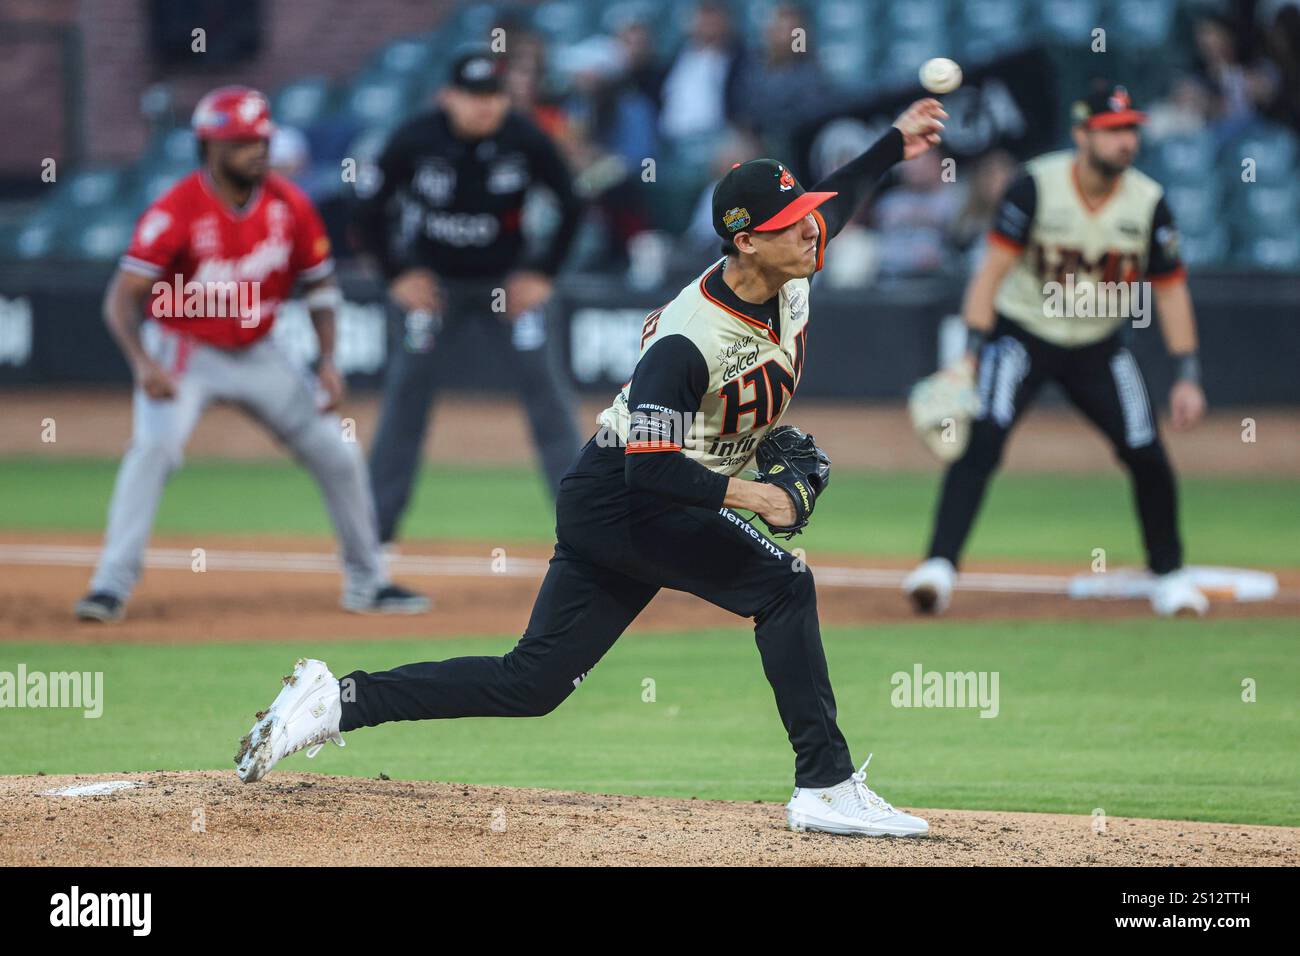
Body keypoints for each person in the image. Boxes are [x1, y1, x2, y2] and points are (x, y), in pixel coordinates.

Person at [236, 98, 950, 840]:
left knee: (532, 681)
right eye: (787, 222)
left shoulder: (792, 259)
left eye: (803, 214)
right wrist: (756, 497)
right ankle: (825, 785)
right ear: (743, 245)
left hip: (629, 503)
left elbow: (845, 191)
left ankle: (337, 701)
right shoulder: (689, 342)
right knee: (784, 586)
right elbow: (649, 471)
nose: (808, 227)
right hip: (627, 498)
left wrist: (895, 143)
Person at [74, 86, 427, 623]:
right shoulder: (176, 210)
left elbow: (321, 287)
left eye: (261, 139)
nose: (257, 151)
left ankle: (368, 582)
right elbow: (119, 302)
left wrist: (327, 360)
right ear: (209, 147)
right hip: (183, 350)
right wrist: (145, 364)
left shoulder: (290, 205)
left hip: (260, 352)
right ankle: (110, 586)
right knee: (154, 450)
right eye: (242, 142)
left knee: (338, 452)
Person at [903, 85, 1210, 618]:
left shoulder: (1148, 201)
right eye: (1113, 130)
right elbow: (991, 271)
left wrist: (1187, 372)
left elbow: (1171, 287)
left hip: (1100, 344)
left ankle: (1170, 574)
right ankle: (939, 566)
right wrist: (973, 352)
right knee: (982, 445)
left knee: (1146, 452)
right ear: (1082, 134)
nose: (1126, 141)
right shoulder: (1036, 185)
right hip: (1024, 334)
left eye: (1131, 129)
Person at [352, 47, 584, 545]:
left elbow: (573, 201)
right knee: (406, 396)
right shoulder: (415, 138)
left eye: (493, 95)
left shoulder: (525, 138)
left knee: (547, 397)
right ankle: (373, 533)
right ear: (447, 97)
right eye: (473, 96)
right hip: (434, 288)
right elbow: (367, 210)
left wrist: (543, 272)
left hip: (509, 286)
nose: (485, 106)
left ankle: (587, 529)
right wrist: (397, 275)